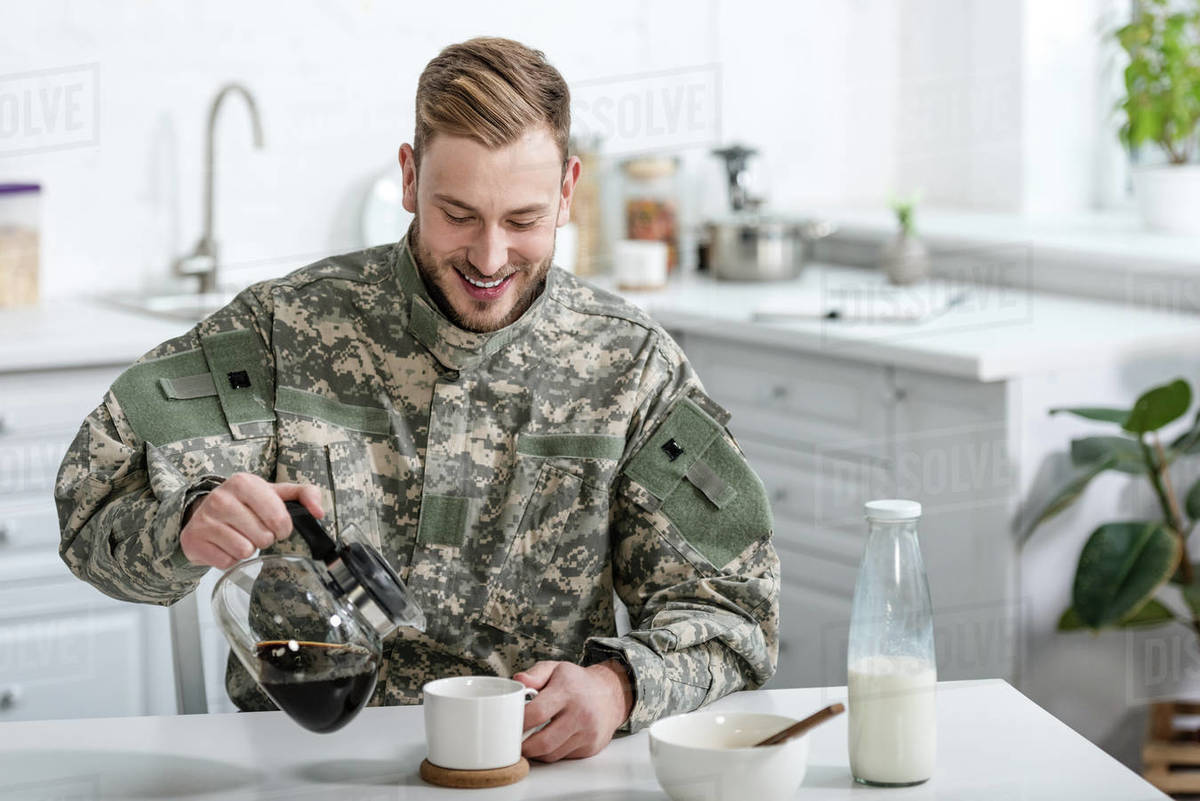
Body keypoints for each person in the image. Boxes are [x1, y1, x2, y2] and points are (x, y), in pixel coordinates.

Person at [54, 36, 779, 763]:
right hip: (304, 763)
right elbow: (90, 508)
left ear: (567, 190)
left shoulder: (631, 365)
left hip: (528, 770)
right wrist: (185, 525)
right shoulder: (284, 332)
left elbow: (738, 611)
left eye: (523, 221)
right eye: (458, 214)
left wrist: (620, 685)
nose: (491, 258)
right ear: (408, 178)